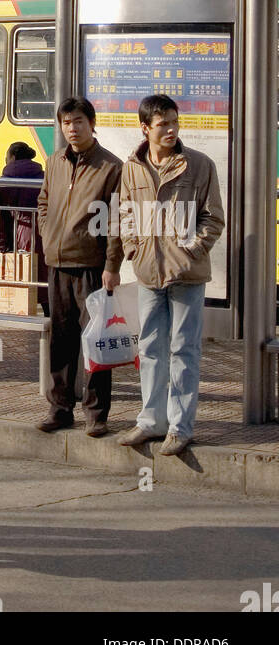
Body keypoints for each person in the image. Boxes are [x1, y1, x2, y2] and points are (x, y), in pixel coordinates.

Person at [112, 94, 225, 456]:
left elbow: (213, 217)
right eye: (163, 124)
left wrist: (191, 250)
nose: (172, 129)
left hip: (186, 275)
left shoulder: (199, 164)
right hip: (148, 273)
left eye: (175, 122)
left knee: (183, 350)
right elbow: (125, 212)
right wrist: (134, 249)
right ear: (145, 128)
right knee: (150, 350)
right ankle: (150, 422)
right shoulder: (132, 167)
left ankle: (180, 427)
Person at [36, 97, 122, 437]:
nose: (72, 128)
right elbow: (43, 201)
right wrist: (46, 232)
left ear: (92, 123)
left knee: (96, 340)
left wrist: (113, 264)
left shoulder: (111, 167)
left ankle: (96, 413)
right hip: (57, 263)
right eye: (66, 122)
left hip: (93, 266)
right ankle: (59, 408)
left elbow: (117, 219)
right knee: (61, 338)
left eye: (79, 122)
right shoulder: (55, 161)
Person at [0, 142, 47, 314]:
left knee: (19, 289)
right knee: (45, 288)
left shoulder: (1, 183)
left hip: (18, 241)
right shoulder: (45, 178)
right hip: (46, 238)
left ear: (11, 157)